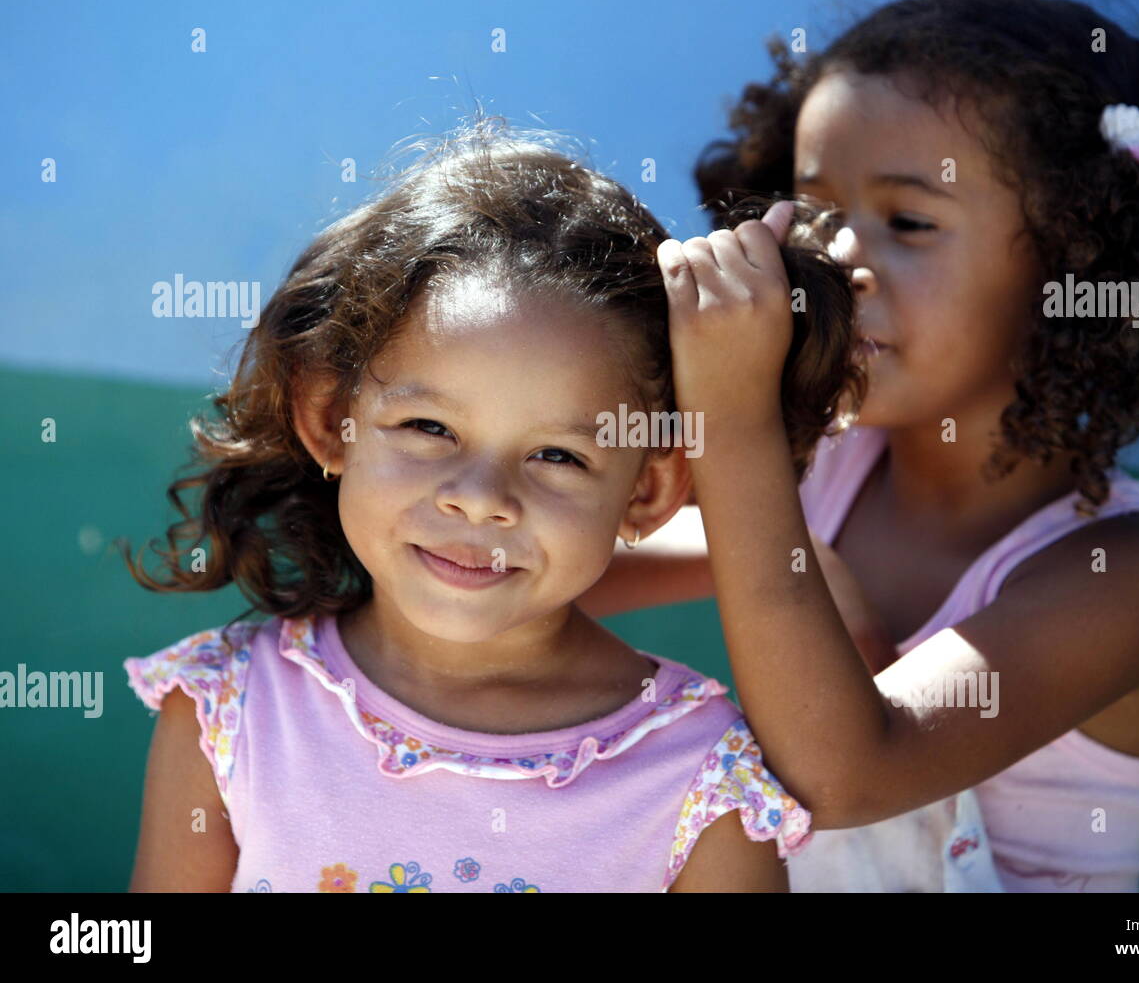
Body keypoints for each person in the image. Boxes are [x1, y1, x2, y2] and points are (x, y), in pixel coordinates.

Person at [584, 0, 1139, 892]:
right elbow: (563, 545)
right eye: (815, 212)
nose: (846, 258)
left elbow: (846, 774)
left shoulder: (1130, 571)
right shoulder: (828, 463)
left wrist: (732, 427)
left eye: (910, 221)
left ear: (1073, 258)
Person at [119, 120, 862, 892]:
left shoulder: (699, 777)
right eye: (429, 428)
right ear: (326, 419)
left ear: (647, 491)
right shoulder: (230, 709)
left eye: (557, 455)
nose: (480, 500)